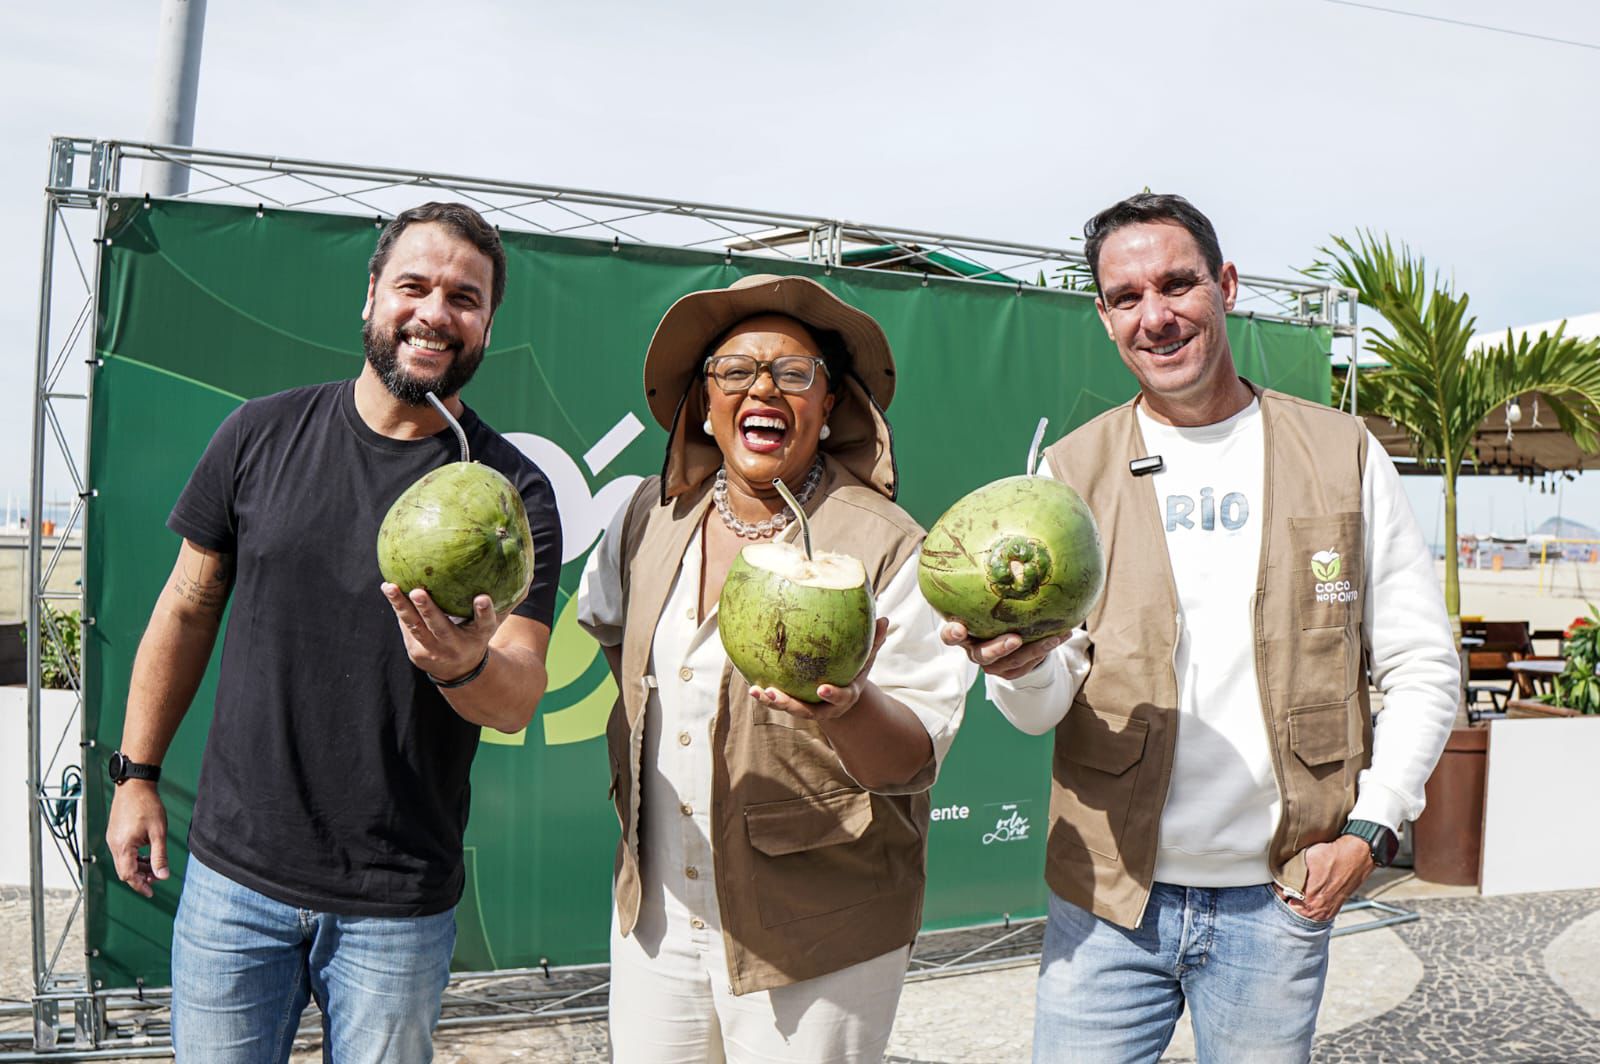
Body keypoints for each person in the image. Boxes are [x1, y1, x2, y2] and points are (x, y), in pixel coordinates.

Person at [943, 193, 1459, 1064]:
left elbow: (1420, 664)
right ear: (1104, 317)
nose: (1157, 315)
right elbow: (1039, 708)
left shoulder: (1342, 452)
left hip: (1280, 897)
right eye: (1127, 296)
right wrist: (1021, 664)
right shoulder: (1067, 473)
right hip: (1107, 906)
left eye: (1178, 284)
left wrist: (1372, 831)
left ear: (1224, 285)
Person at [103, 202, 563, 1063]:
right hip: (233, 879)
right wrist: (136, 777)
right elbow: (186, 606)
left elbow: (517, 695)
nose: (435, 313)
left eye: (464, 297)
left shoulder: (513, 495)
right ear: (371, 299)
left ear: (488, 323)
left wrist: (463, 667)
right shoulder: (260, 433)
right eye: (413, 286)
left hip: (399, 901)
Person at [577, 274, 973, 1062]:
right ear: (702, 401)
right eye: (734, 371)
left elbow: (912, 760)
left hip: (818, 933)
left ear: (831, 408)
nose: (763, 389)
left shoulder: (889, 545)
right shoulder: (645, 517)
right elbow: (615, 642)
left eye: (795, 375)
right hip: (656, 918)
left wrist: (850, 709)